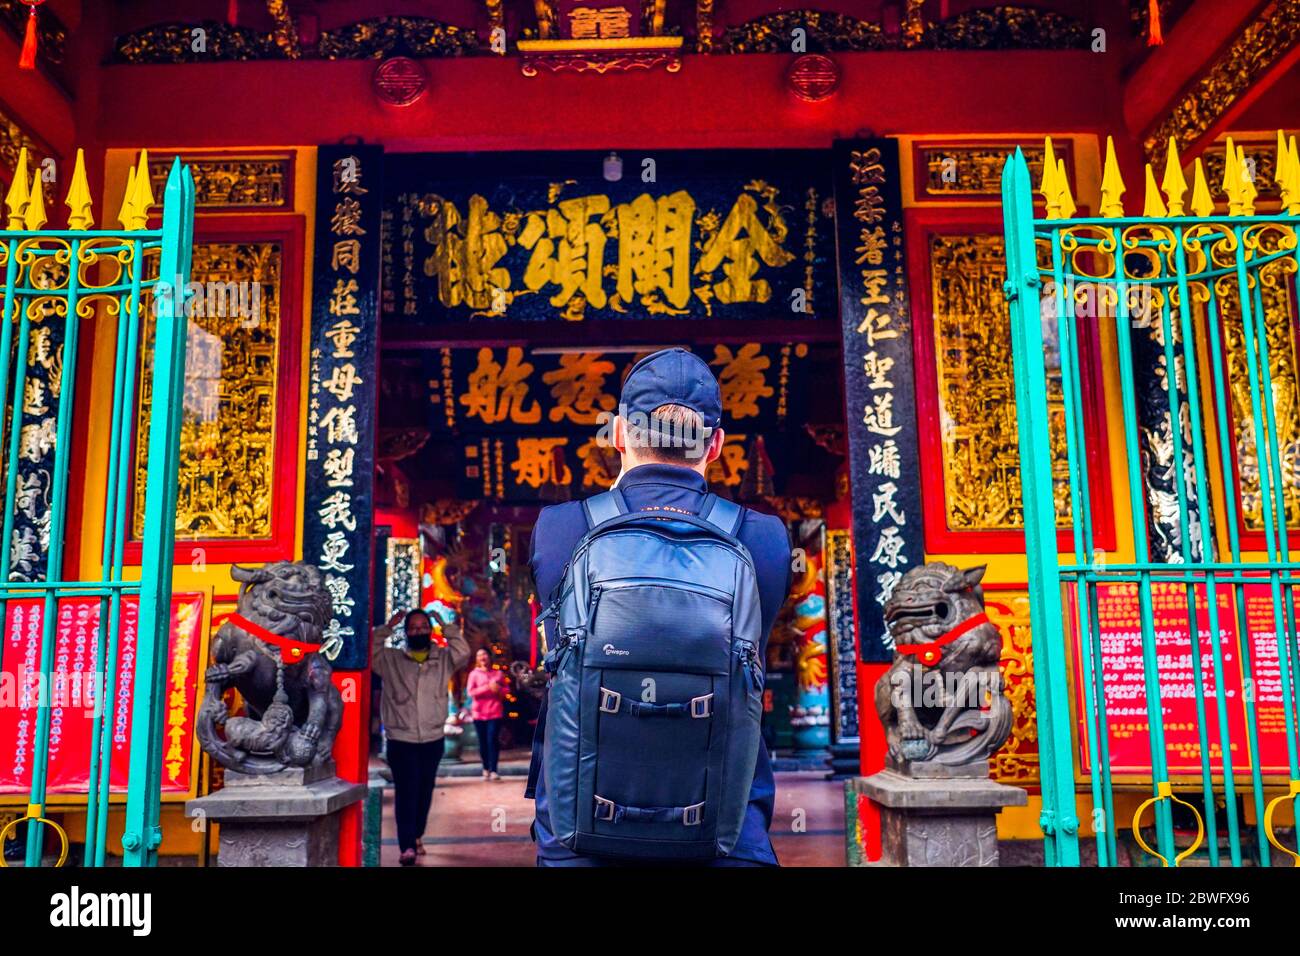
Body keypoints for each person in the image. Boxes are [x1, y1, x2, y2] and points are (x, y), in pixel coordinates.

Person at [527, 347, 792, 866]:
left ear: (621, 433)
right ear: (715, 444)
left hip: (579, 831)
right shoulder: (763, 538)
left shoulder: (561, 528)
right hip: (724, 833)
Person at [372, 606, 470, 866]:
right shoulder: (390, 659)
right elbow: (369, 650)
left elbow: (464, 652)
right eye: (413, 628)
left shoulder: (443, 658)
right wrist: (388, 626)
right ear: (406, 632)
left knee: (424, 790)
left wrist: (446, 627)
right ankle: (407, 846)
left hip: (432, 738)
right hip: (400, 739)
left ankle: (416, 835)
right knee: (406, 790)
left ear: (430, 631)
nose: (419, 631)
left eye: (423, 627)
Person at [466, 649, 507, 780]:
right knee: (483, 742)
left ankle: (494, 770)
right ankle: (485, 769)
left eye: (484, 654)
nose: (482, 657)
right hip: (479, 713)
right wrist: (487, 687)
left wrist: (499, 689)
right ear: (477, 659)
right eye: (479, 655)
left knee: (492, 740)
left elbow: (506, 690)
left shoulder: (498, 673)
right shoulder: (473, 674)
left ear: (489, 657)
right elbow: (470, 692)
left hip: (495, 711)